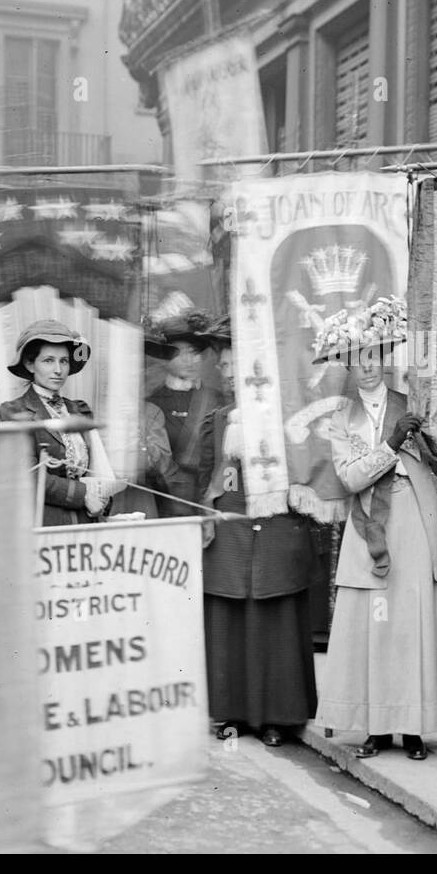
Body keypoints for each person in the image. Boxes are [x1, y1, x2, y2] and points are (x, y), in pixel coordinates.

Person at [313, 298, 437, 760]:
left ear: (386, 358)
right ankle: (378, 727)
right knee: (375, 625)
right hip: (369, 527)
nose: (368, 368)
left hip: (415, 521)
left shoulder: (413, 404)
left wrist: (429, 442)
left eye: (375, 356)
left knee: (411, 622)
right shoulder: (342, 418)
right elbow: (349, 478)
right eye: (358, 359)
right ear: (348, 365)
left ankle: (415, 728)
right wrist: (391, 443)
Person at [197, 327, 320, 747]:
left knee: (276, 628)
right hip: (230, 539)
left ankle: (277, 718)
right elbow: (205, 477)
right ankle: (231, 713)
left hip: (276, 537)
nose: (227, 372)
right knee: (230, 628)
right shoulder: (217, 419)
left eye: (232, 363)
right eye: (224, 365)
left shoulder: (291, 417)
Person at [0, 320, 120, 527]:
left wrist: (103, 499)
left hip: (86, 522)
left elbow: (99, 470)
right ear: (29, 364)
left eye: (63, 361)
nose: (58, 370)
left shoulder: (78, 410)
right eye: (48, 360)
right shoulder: (13, 412)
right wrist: (83, 495)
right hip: (44, 523)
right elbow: (25, 474)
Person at [142, 312, 223, 517]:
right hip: (169, 504)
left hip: (213, 501)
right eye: (178, 352)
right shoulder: (152, 404)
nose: (188, 360)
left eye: (194, 352)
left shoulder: (217, 401)